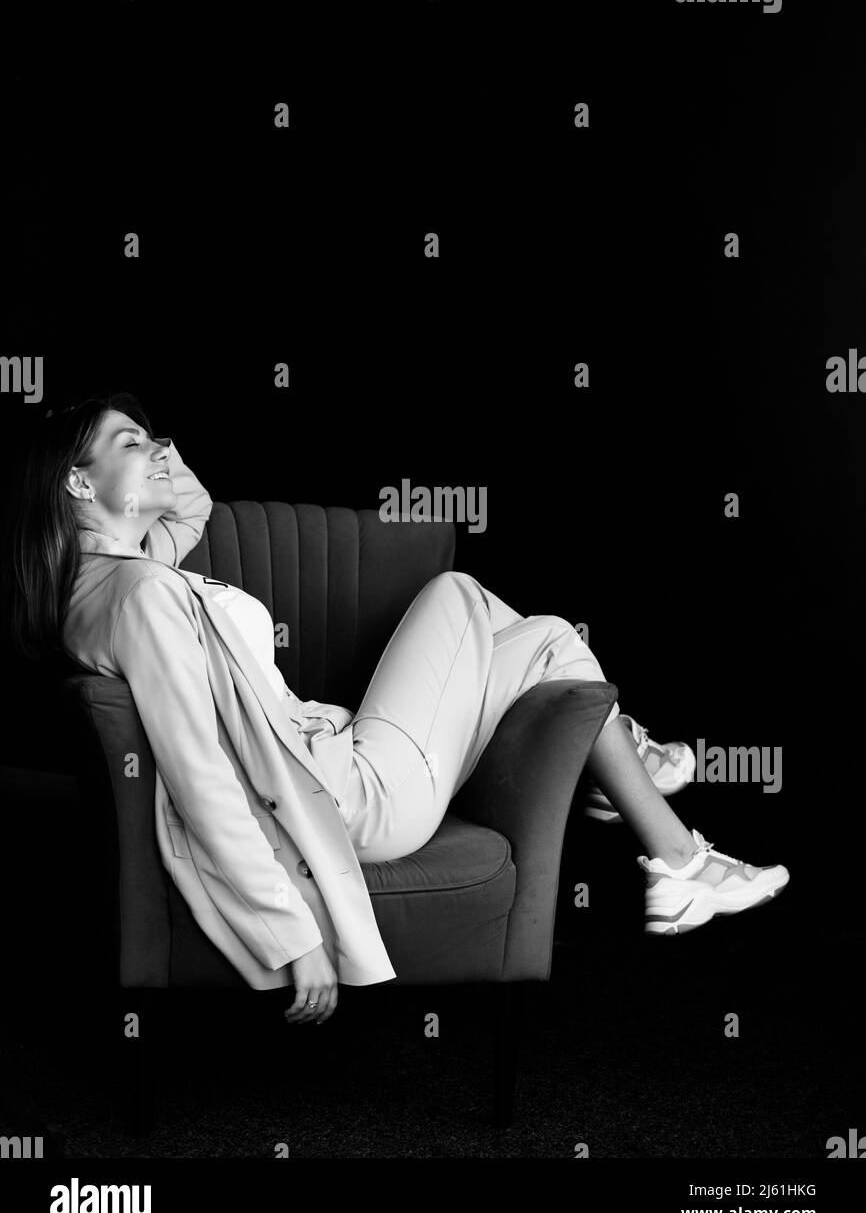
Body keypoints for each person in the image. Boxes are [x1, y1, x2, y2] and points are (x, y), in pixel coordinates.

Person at [6, 392, 790, 1027]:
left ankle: (676, 854)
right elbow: (198, 771)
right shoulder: (143, 598)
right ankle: (640, 777)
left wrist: (159, 460)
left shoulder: (117, 577)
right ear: (79, 483)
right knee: (457, 592)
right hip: (357, 797)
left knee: (550, 641)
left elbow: (192, 511)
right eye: (133, 443)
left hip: (343, 765)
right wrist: (290, 933)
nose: (157, 452)